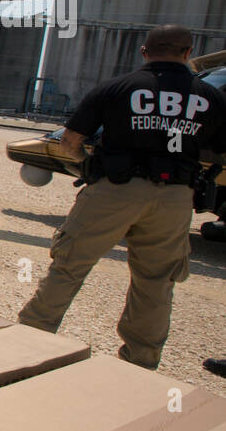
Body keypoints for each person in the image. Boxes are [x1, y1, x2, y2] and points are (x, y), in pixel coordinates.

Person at [17, 25, 226, 370]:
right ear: (188, 54)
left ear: (144, 52)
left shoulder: (116, 88)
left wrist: (88, 166)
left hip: (114, 189)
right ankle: (140, 363)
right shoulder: (211, 96)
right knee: (156, 282)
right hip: (175, 198)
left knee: (70, 266)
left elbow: (69, 140)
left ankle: (30, 342)